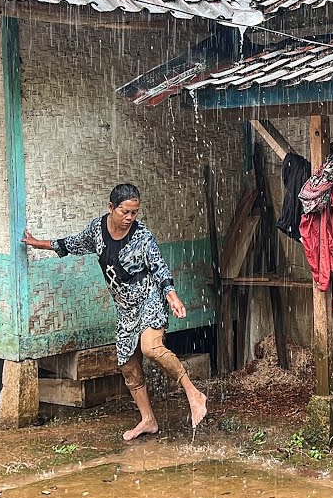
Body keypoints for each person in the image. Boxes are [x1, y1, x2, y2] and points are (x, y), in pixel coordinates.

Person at [22, 183, 207, 440]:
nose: (130, 217)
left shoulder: (142, 236)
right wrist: (38, 244)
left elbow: (159, 267)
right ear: (111, 208)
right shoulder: (97, 230)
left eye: (134, 212)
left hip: (149, 298)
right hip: (125, 308)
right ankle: (148, 420)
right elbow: (72, 243)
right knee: (127, 364)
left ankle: (193, 393)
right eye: (125, 212)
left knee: (151, 348)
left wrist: (172, 296)